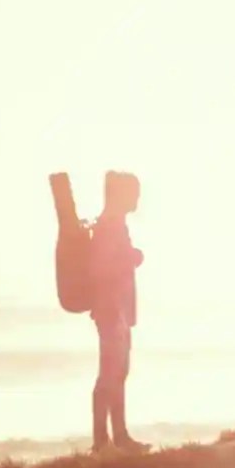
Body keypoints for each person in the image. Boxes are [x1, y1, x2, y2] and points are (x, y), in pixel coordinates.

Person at [88, 170, 150, 452]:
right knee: (109, 374)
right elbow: (102, 268)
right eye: (134, 192)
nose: (138, 198)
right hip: (111, 309)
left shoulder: (114, 225)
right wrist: (132, 257)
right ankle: (103, 441)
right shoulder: (109, 226)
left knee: (119, 373)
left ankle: (119, 437)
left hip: (118, 309)